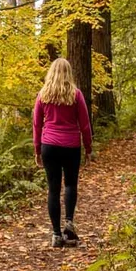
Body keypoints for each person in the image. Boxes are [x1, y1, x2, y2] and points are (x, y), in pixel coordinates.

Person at [32, 58, 93, 249]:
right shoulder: (76, 94)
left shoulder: (43, 95)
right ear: (69, 73)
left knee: (53, 188)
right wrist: (88, 148)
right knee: (70, 184)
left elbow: (36, 124)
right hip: (71, 145)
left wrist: (37, 149)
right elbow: (85, 124)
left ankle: (56, 235)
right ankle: (69, 222)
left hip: (48, 145)